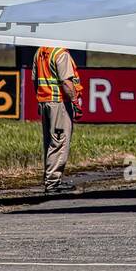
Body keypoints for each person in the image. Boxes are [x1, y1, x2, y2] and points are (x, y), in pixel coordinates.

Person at [34, 45, 83, 194]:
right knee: (60, 142)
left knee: (50, 142)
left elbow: (34, 80)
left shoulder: (40, 52)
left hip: (45, 101)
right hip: (59, 103)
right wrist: (75, 101)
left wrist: (39, 99)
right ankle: (53, 182)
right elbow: (66, 82)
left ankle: (51, 179)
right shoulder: (61, 53)